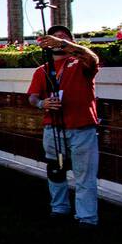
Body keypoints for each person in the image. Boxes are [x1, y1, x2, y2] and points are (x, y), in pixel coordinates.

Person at [26, 25, 101, 226]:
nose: (58, 39)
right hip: (53, 129)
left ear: (71, 41)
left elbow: (93, 58)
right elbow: (32, 97)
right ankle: (59, 208)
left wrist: (64, 45)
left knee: (84, 175)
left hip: (82, 128)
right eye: (55, 37)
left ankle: (87, 218)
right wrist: (43, 103)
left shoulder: (80, 63)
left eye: (63, 37)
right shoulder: (42, 71)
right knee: (55, 170)